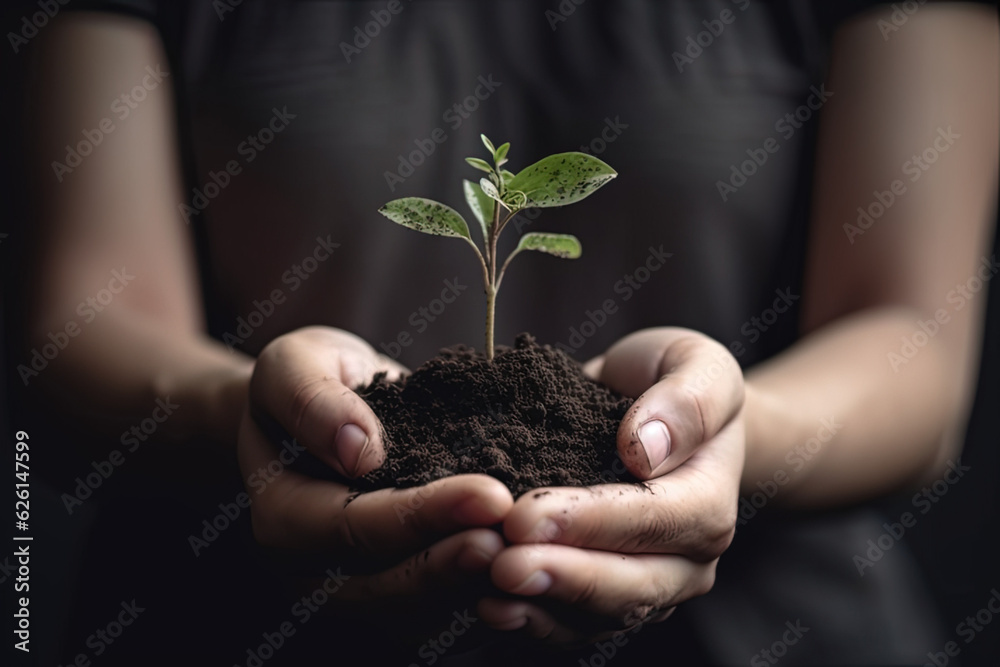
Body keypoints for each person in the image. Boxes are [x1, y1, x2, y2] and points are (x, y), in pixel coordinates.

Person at [12, 0, 997, 664]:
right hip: (227, 625)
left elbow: (913, 339)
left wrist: (733, 431)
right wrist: (248, 410)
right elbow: (73, 334)